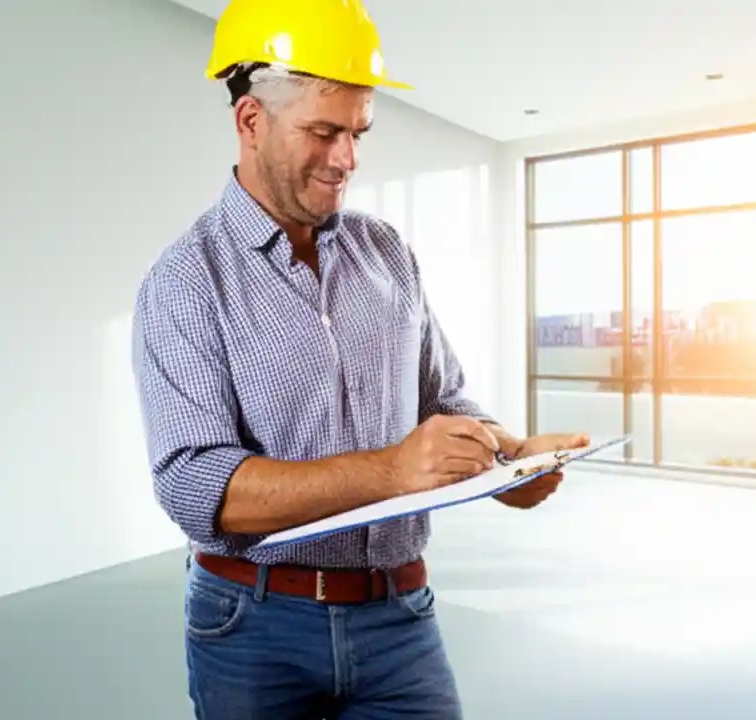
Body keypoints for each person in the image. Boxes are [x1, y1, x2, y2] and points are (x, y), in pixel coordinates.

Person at [130, 1, 587, 717]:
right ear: (251, 121)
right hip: (252, 627)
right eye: (323, 132)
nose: (348, 159)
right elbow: (195, 487)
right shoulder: (187, 281)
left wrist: (509, 459)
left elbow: (443, 400)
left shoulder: (386, 252)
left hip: (399, 615)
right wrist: (392, 471)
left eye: (357, 132)